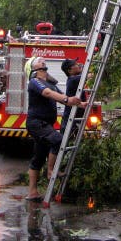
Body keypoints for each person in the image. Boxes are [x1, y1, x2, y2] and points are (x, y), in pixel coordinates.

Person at [25, 56, 82, 201]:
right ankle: (50, 171)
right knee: (58, 140)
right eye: (38, 61)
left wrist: (80, 103)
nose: (42, 60)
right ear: (33, 68)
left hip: (46, 124)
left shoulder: (50, 83)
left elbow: (62, 96)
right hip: (37, 123)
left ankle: (32, 192)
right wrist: (67, 100)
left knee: (38, 158)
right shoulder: (35, 82)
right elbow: (48, 94)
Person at [60, 58, 86, 133]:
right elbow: (90, 76)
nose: (78, 65)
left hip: (73, 120)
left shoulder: (74, 79)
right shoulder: (73, 80)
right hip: (70, 122)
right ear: (69, 71)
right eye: (75, 64)